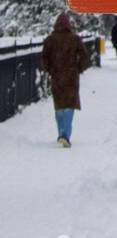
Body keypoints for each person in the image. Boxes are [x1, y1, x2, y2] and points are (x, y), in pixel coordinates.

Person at [40, 13, 89, 148]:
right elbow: (84, 56)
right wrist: (79, 69)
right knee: (70, 104)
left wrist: (50, 69)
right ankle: (65, 135)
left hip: (57, 76)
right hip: (71, 76)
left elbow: (44, 58)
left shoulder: (50, 40)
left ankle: (61, 132)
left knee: (59, 104)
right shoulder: (74, 39)